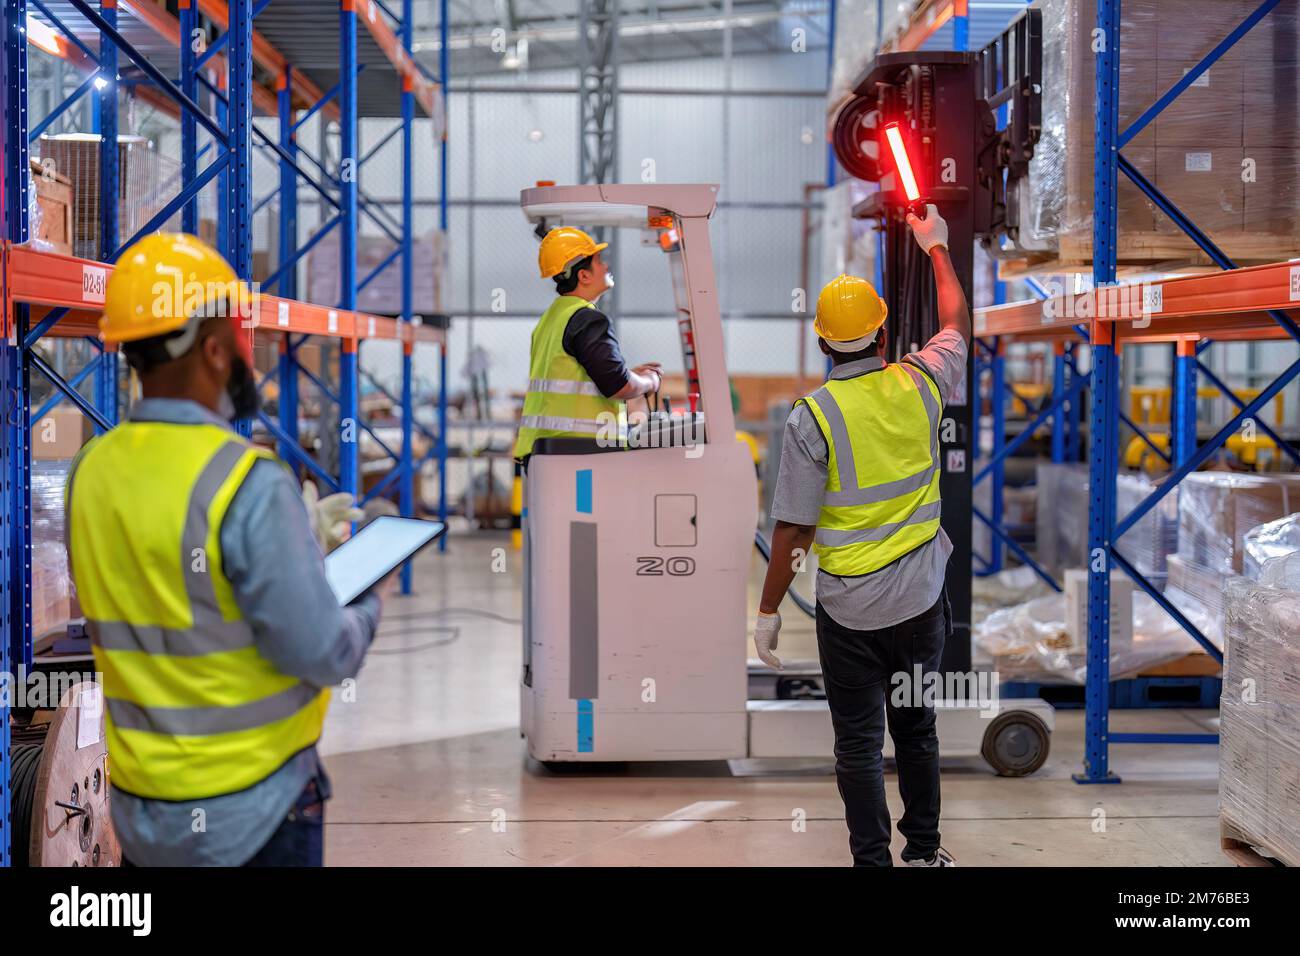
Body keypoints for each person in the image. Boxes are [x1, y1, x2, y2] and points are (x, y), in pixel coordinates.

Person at [66, 233, 384, 867]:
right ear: (213, 350)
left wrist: (296, 544)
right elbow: (323, 652)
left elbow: (172, 583)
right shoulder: (248, 483)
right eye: (240, 335)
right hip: (254, 811)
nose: (248, 351)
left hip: (141, 813)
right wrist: (366, 599)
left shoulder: (88, 470)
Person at [752, 206, 971, 867]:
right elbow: (958, 323)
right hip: (919, 609)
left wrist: (766, 612)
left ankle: (871, 861)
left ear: (823, 345)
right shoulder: (923, 382)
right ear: (883, 335)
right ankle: (925, 853)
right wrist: (936, 247)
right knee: (916, 731)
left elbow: (795, 528)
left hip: (848, 617)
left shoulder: (811, 418)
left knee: (856, 744)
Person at [513, 226, 663, 460]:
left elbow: (577, 377)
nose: (606, 266)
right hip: (580, 455)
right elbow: (618, 386)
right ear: (583, 276)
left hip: (549, 451)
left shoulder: (552, 318)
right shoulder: (588, 320)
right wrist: (649, 381)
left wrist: (628, 373)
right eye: (599, 260)